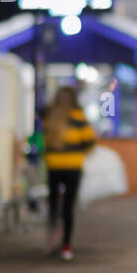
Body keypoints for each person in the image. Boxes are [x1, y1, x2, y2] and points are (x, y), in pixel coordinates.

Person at [43, 86, 97, 261]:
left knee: (52, 205)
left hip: (53, 167)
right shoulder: (78, 117)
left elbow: (44, 141)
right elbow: (90, 141)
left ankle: (51, 240)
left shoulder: (50, 117)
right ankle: (66, 246)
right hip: (73, 167)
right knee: (68, 207)